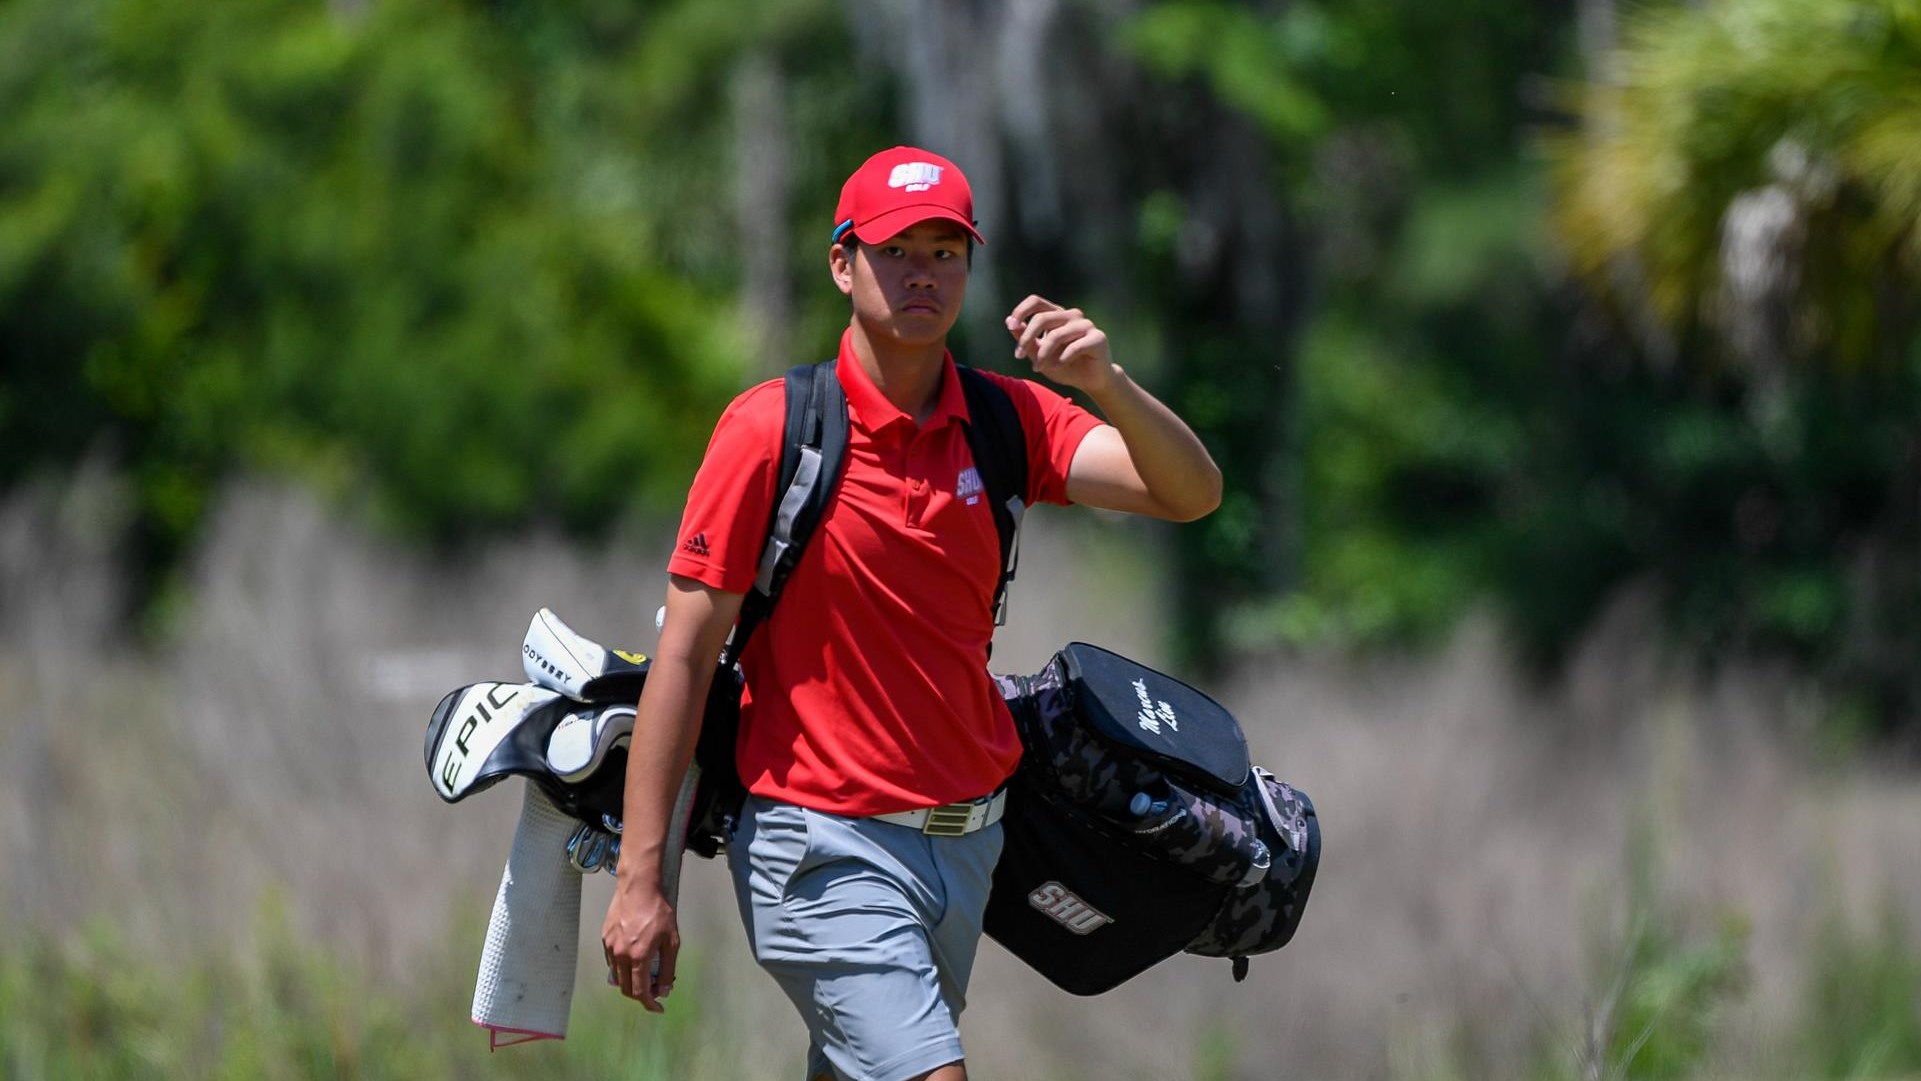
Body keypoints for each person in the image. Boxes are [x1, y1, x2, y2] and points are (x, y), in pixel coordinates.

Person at [601, 145, 1222, 1081]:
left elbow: (1189, 493)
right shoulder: (772, 429)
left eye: (945, 251)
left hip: (967, 847)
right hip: (820, 841)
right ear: (842, 263)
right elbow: (684, 658)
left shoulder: (1011, 419)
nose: (921, 273)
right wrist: (641, 876)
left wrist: (1104, 380)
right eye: (896, 250)